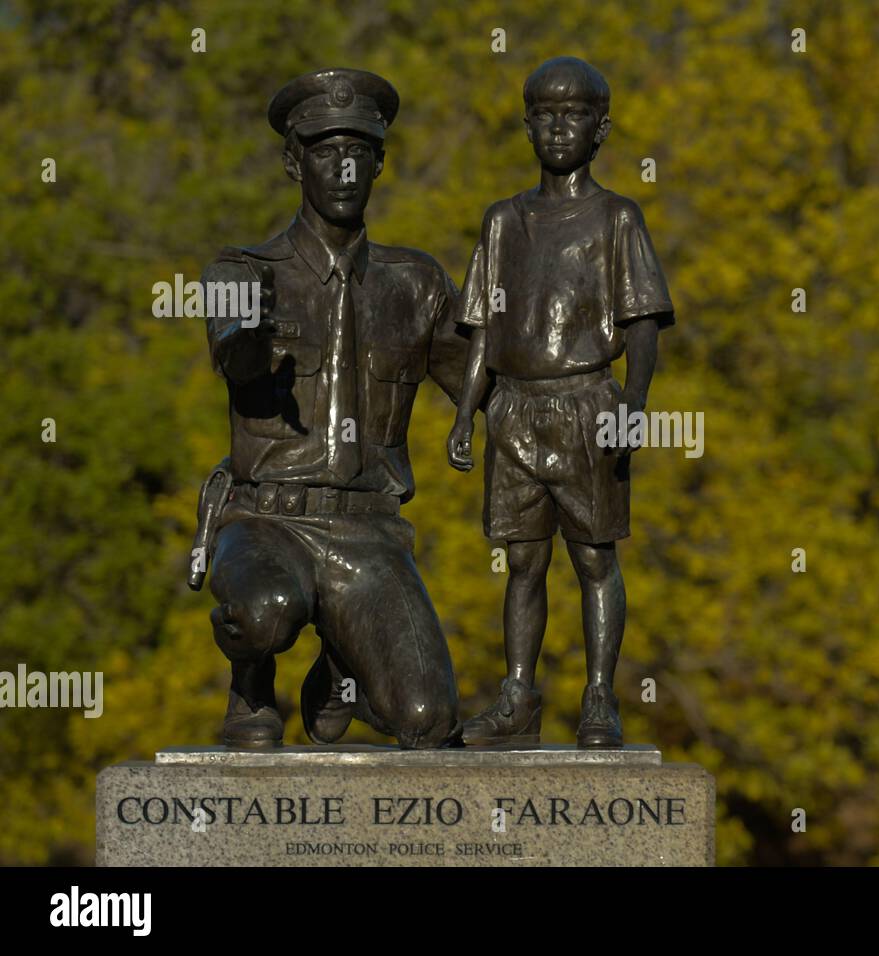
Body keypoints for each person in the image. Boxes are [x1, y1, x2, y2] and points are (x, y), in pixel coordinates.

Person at [200, 68, 467, 749]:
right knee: (266, 613)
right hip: (266, 521)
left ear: (380, 161)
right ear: (295, 161)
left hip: (367, 535)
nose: (344, 168)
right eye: (324, 151)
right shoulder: (241, 271)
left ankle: (340, 669)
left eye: (359, 153)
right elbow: (236, 359)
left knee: (428, 722)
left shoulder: (419, 282)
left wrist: (570, 385)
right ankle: (252, 688)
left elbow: (481, 383)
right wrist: (251, 336)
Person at [447, 56, 674, 748]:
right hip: (513, 408)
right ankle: (519, 693)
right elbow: (483, 327)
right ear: (526, 125)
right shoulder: (502, 222)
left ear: (600, 129)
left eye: (573, 114)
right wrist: (465, 410)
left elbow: (641, 325)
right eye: (544, 114)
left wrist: (631, 404)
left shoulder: (617, 218)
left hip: (585, 405)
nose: (557, 127)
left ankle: (599, 696)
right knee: (522, 561)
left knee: (595, 558)